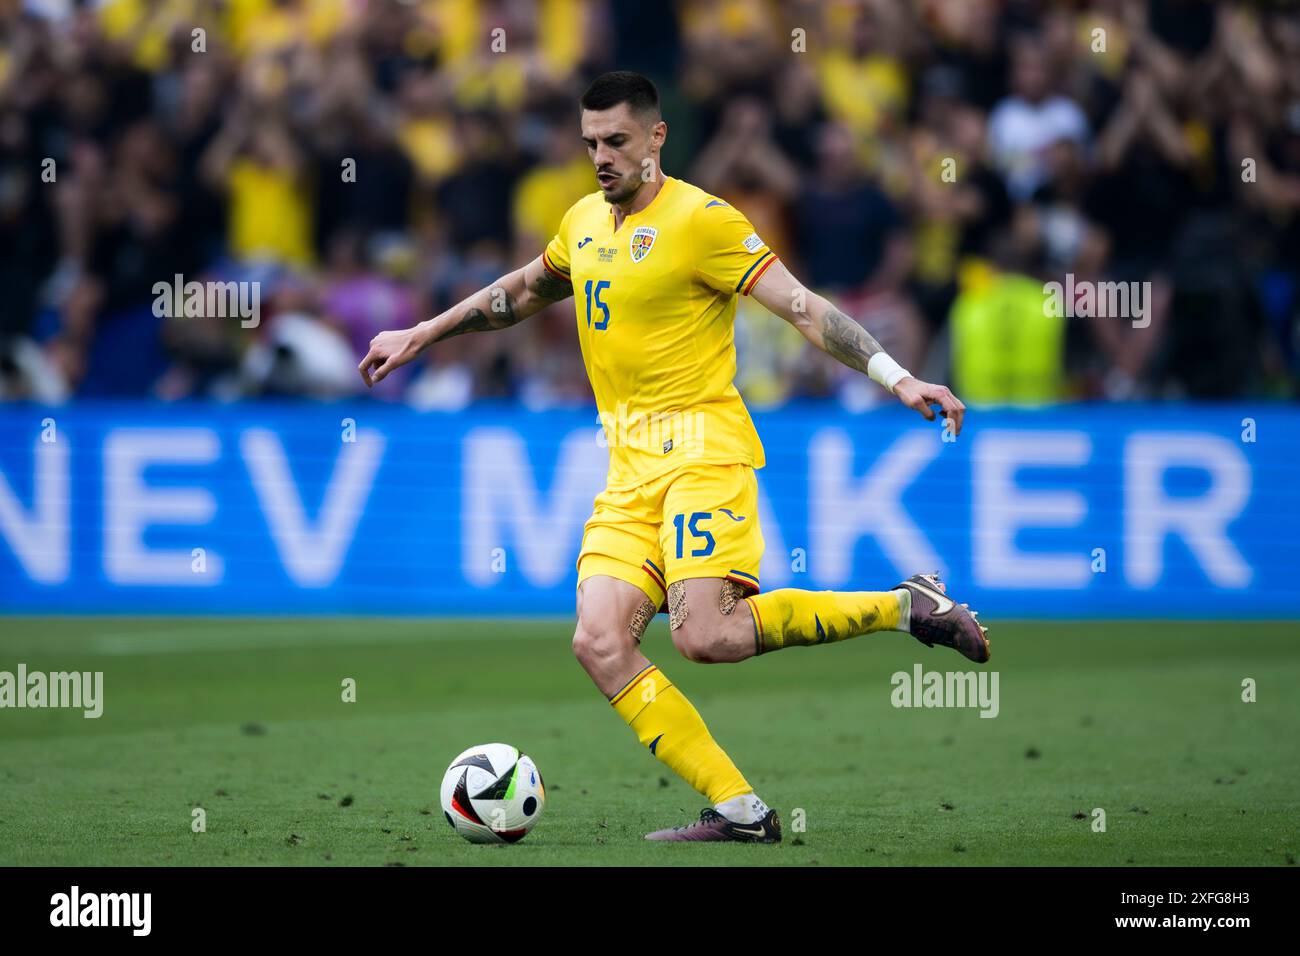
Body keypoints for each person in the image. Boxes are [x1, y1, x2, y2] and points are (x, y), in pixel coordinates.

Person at [358, 72, 989, 844]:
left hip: (701, 453)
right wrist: (421, 333)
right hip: (627, 470)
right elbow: (519, 293)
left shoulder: (704, 220)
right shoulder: (583, 220)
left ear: (656, 137)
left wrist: (897, 377)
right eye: (590, 143)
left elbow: (801, 306)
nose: (601, 157)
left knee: (705, 637)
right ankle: (740, 812)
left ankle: (904, 605)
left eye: (617, 141)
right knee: (597, 640)